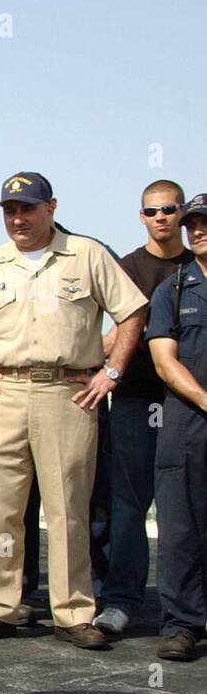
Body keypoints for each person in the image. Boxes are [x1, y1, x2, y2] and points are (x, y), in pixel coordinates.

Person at [0, 172, 148, 650]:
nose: (18, 219)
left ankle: (72, 612)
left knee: (68, 507)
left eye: (27, 208)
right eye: (10, 210)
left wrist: (110, 373)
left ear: (50, 207)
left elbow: (132, 311)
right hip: (3, 393)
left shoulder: (87, 254)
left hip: (66, 394)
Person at [96, 180, 195, 636]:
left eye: (169, 209)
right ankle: (121, 600)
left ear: (183, 215)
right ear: (141, 217)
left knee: (191, 507)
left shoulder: (200, 267)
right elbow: (116, 332)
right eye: (152, 211)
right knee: (129, 504)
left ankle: (191, 608)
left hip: (189, 404)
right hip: (137, 397)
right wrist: (89, 368)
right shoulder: (128, 267)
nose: (161, 217)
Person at [145, 192, 207, 662]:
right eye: (192, 224)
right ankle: (183, 623)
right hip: (186, 421)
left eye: (204, 223)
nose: (196, 231)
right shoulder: (175, 289)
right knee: (181, 526)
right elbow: (165, 362)